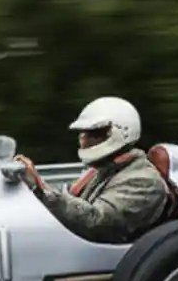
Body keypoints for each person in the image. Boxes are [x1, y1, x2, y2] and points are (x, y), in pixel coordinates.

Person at [14, 96, 169, 244]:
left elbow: (96, 222)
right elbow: (69, 197)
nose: (84, 138)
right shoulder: (102, 170)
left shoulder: (143, 181)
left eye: (94, 133)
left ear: (122, 132)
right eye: (83, 133)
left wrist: (40, 188)